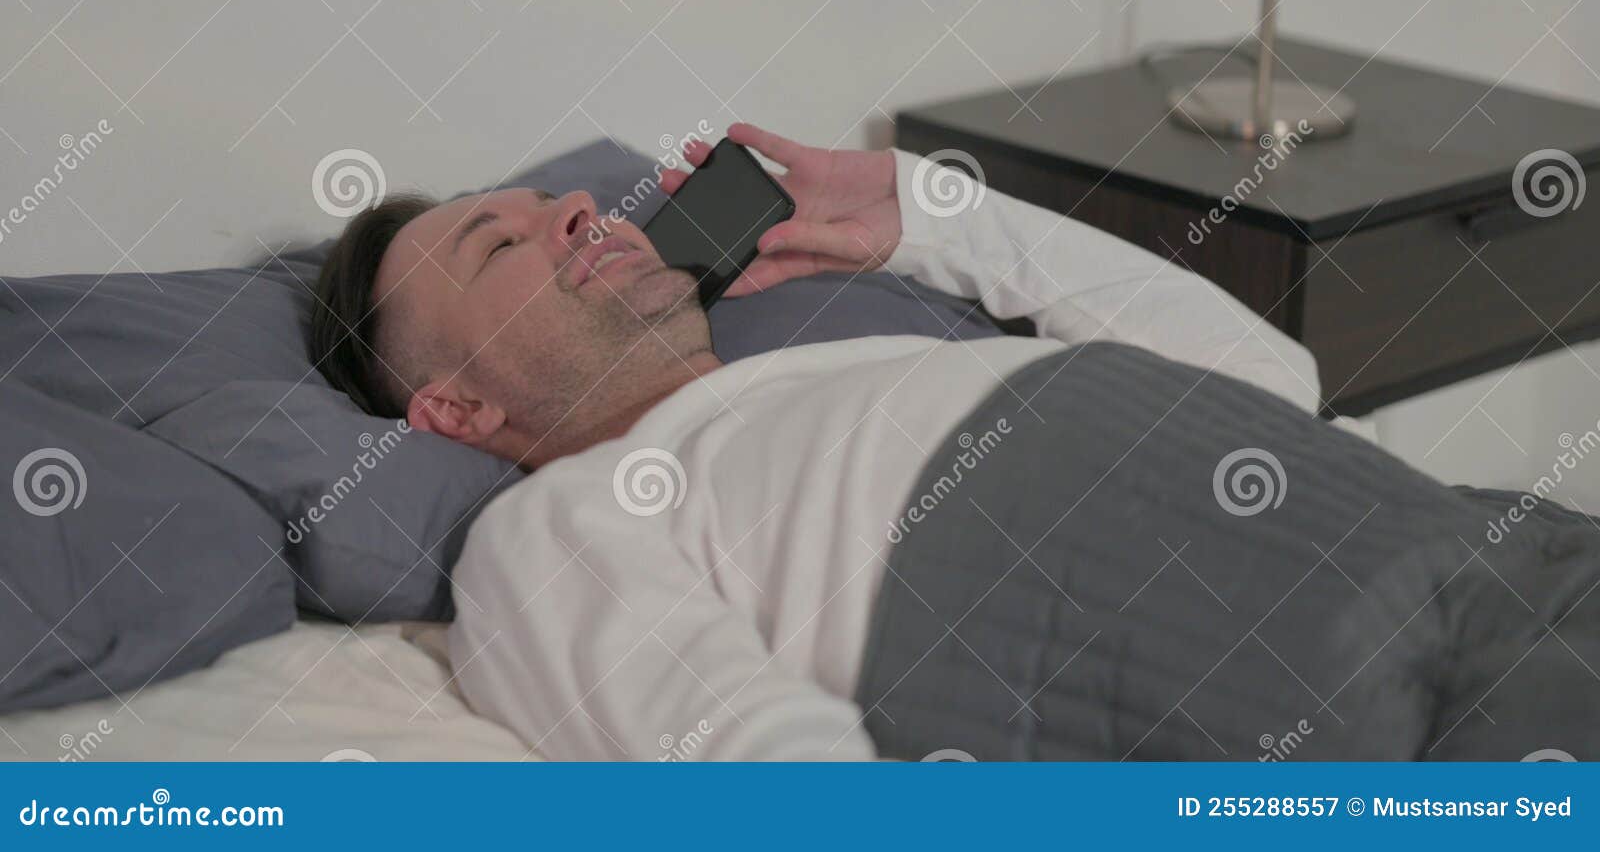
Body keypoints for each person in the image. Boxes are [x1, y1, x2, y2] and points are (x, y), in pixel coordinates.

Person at [312, 124, 1599, 761]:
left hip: (1482, 552)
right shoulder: (561, 524)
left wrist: (924, 208)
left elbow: (1270, 378)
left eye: (560, 202)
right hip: (1316, 702)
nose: (576, 212)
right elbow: (749, 762)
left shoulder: (870, 358)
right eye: (503, 244)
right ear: (458, 412)